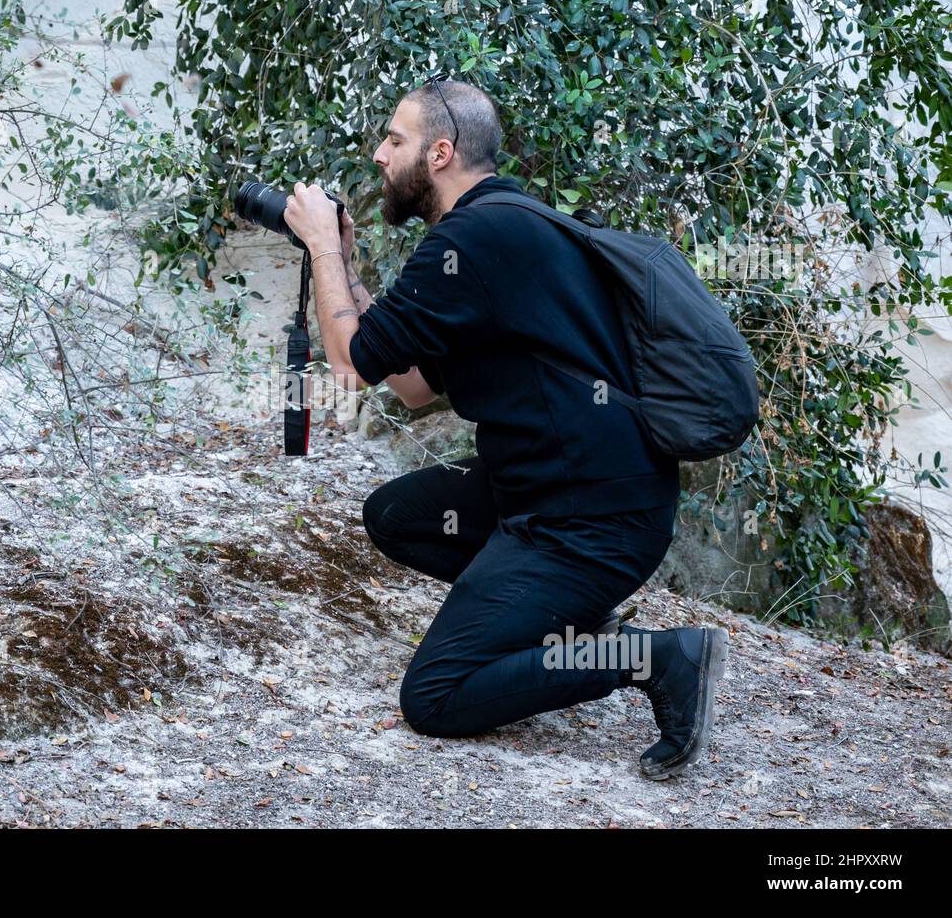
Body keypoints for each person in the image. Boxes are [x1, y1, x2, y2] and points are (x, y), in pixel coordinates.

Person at [281, 76, 729, 780]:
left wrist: (322, 251)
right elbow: (414, 383)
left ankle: (655, 657)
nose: (377, 154)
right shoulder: (500, 226)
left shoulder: (477, 236)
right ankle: (565, 627)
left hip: (590, 521)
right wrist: (349, 269)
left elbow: (349, 365)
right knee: (397, 516)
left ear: (439, 153)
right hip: (556, 495)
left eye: (393, 140)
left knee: (434, 696)